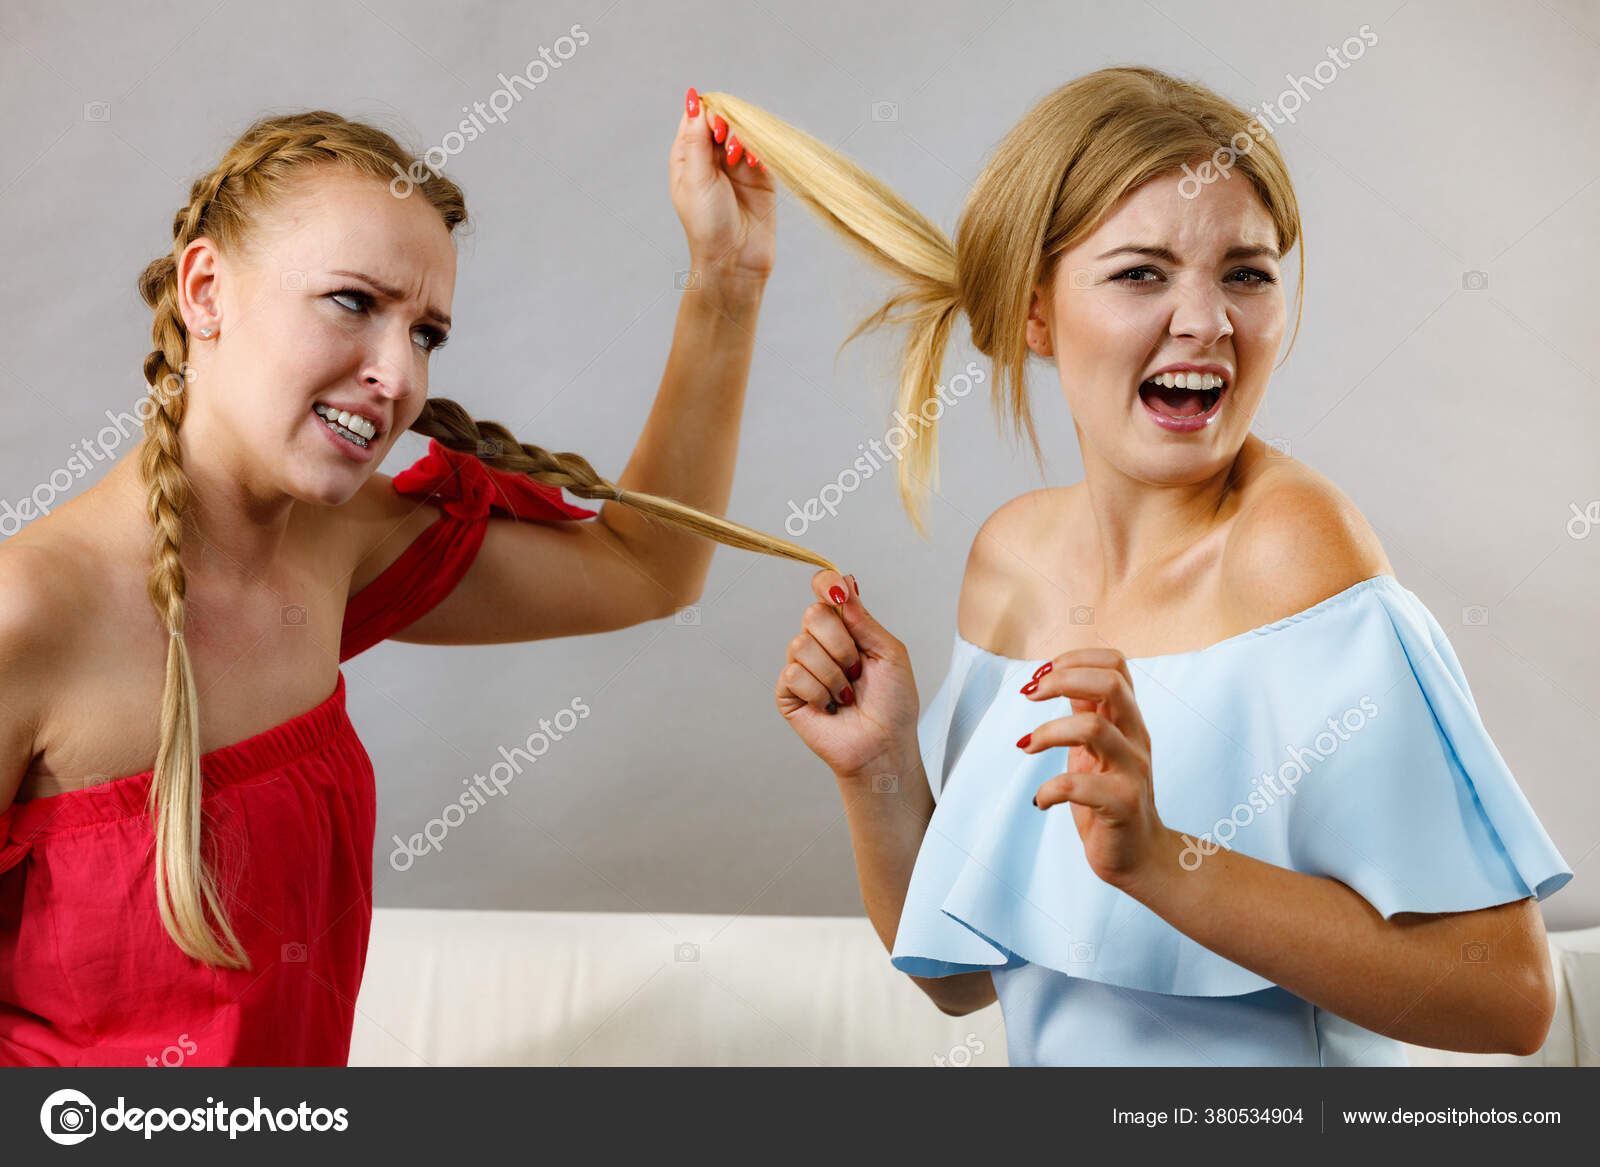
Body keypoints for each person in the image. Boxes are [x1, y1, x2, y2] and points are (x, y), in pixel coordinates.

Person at [744, 67, 1575, 1065]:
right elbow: (963, 981)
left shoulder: (1290, 548)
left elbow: (1508, 1000)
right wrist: (878, 767)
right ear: (1034, 313)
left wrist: (1165, 866)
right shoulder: (1013, 559)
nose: (1207, 322)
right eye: (1142, 273)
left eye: (1246, 273)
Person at [0, 90, 841, 1067]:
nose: (397, 377)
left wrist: (726, 281)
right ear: (205, 291)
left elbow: (645, 570)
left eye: (426, 334)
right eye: (353, 303)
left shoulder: (334, 544)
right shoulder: (27, 613)